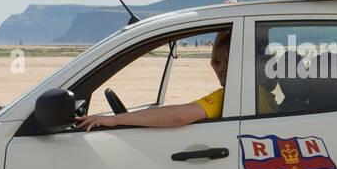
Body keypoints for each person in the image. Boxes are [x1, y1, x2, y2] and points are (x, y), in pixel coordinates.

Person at [78, 30, 230, 130]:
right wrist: (222, 32)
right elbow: (214, 60)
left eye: (229, 61)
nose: (221, 67)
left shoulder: (228, 96)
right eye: (218, 62)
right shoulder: (243, 88)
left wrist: (115, 120)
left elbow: (179, 116)